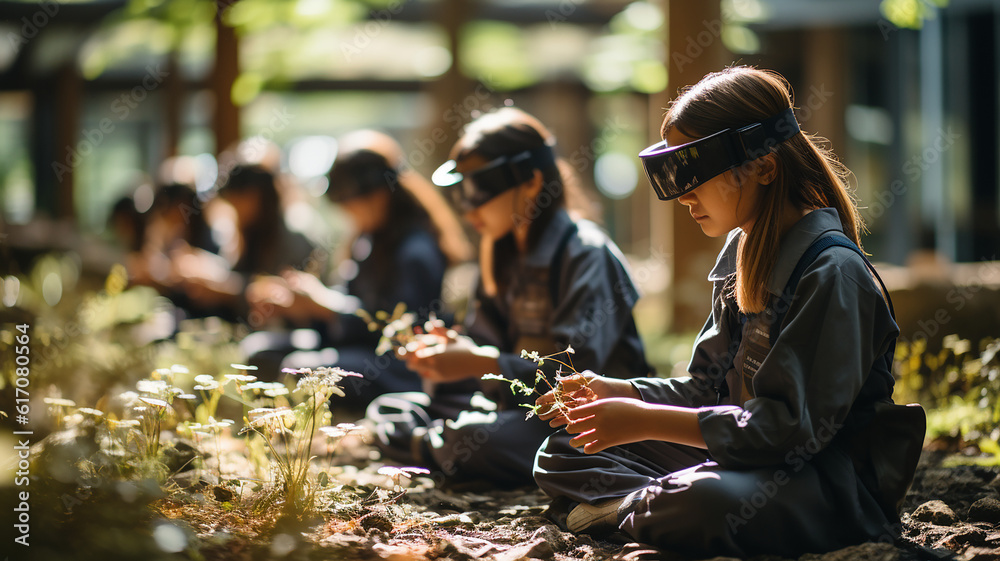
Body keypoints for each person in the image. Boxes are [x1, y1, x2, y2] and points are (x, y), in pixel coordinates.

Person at [531, 66, 925, 558]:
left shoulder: (832, 272)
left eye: (695, 172)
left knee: (703, 501)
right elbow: (705, 390)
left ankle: (631, 508)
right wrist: (622, 393)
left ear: (764, 167)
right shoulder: (744, 253)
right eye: (675, 173)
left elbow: (789, 430)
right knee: (565, 449)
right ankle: (651, 506)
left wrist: (644, 421)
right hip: (745, 457)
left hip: (824, 482)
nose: (684, 194)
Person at [366, 107, 653, 487]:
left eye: (477, 189)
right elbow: (485, 349)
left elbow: (576, 377)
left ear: (531, 182)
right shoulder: (499, 252)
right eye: (459, 191)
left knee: (473, 437)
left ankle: (434, 447)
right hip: (512, 408)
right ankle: (438, 447)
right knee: (390, 408)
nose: (467, 207)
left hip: (581, 419)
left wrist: (479, 361)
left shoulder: (586, 253)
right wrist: (452, 352)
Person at [242, 130, 472, 405]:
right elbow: (344, 311)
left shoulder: (415, 250)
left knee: (301, 368)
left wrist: (326, 305)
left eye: (348, 203)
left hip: (396, 368)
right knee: (261, 351)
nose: (346, 212)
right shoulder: (368, 240)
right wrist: (302, 307)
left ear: (378, 195)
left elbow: (399, 331)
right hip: (357, 348)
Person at [176, 163, 318, 322]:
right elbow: (237, 274)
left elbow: (276, 293)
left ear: (256, 198)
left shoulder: (290, 241)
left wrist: (224, 289)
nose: (235, 211)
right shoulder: (245, 232)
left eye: (238, 201)